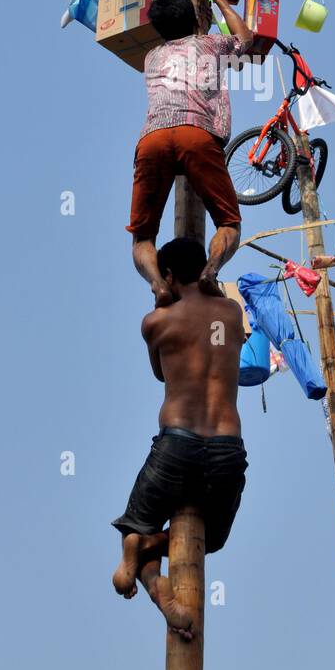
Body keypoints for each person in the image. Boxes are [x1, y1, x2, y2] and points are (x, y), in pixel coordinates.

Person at [112, 237, 248, 640]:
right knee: (213, 537)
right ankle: (150, 551)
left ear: (167, 276)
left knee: (133, 526)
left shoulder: (156, 323)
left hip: (176, 444)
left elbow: (160, 373)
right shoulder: (228, 314)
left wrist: (164, 301)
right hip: (226, 447)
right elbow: (221, 341)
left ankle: (147, 570)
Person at [128, 0, 253, 307]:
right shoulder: (209, 45)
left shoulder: (151, 58)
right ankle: (210, 271)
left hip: (153, 139)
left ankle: (157, 285)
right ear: (195, 22)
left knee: (143, 237)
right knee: (228, 223)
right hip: (197, 134)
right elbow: (246, 39)